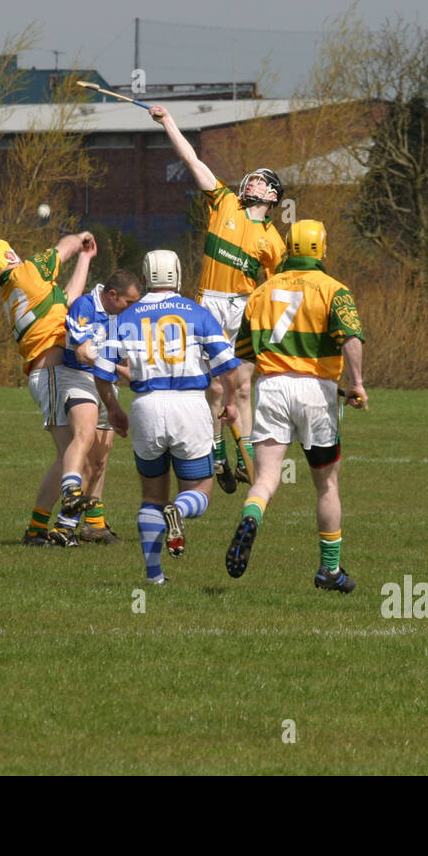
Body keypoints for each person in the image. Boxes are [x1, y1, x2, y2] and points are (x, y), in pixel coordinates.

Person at [223, 221, 368, 592]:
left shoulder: (261, 292)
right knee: (326, 483)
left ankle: (252, 515)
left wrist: (233, 399)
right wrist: (356, 384)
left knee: (266, 477)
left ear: (288, 248)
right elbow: (351, 339)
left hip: (271, 388)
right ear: (321, 250)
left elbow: (241, 359)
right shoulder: (334, 290)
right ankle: (329, 571)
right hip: (316, 393)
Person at [149, 103, 286, 493]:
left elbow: (279, 290)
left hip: (242, 310)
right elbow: (190, 157)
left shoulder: (273, 241)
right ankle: (216, 452)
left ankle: (247, 462)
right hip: (209, 302)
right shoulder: (224, 201)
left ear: (273, 195)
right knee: (212, 388)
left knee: (240, 388)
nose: (251, 183)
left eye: (260, 182)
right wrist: (168, 121)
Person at [92, 250, 242, 586]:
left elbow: (102, 372)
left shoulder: (125, 318)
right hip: (189, 405)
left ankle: (154, 576)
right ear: (178, 277)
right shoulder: (198, 313)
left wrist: (114, 409)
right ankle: (181, 509)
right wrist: (231, 402)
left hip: (146, 405)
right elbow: (227, 367)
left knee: (151, 496)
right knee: (200, 493)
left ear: (144, 280)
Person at [0, 231, 97, 546]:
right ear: (8, 257)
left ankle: (42, 529)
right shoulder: (28, 270)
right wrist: (81, 239)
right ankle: (48, 527)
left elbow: (68, 300)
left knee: (69, 457)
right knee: (70, 456)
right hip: (53, 372)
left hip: (51, 373)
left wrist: (86, 258)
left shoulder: (16, 291)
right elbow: (64, 246)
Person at [61, 268, 143, 543]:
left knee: (100, 459)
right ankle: (64, 523)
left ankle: (92, 526)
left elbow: (129, 358)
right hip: (78, 378)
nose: (133, 308)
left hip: (107, 382)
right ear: (112, 295)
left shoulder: (125, 317)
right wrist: (119, 369)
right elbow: (83, 353)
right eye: (129, 302)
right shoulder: (84, 305)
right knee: (85, 442)